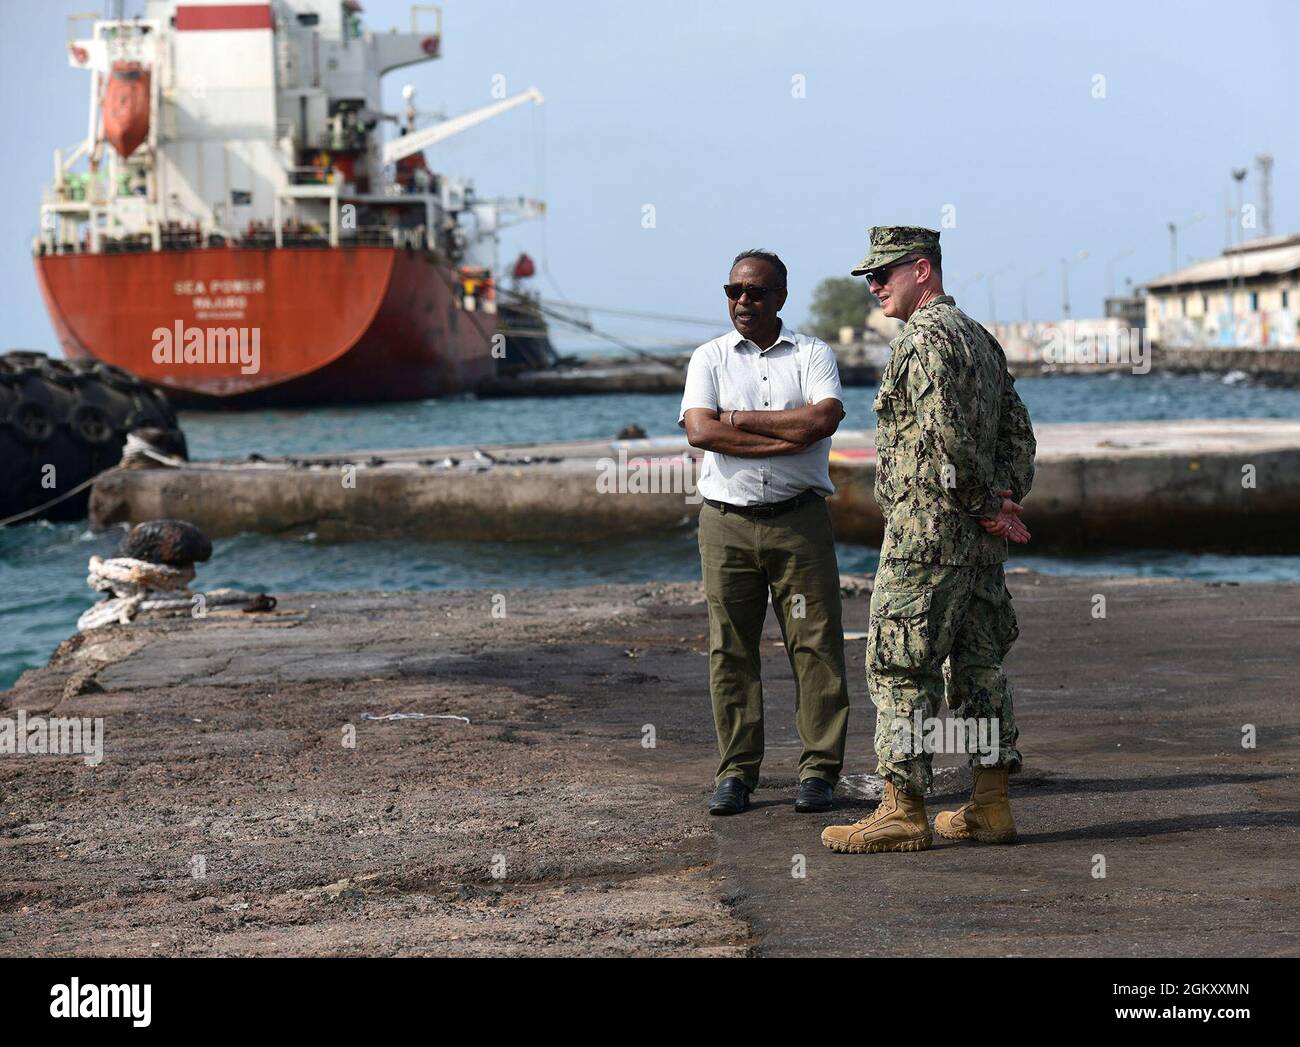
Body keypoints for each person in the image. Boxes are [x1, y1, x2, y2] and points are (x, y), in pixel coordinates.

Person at [821, 226, 1037, 854]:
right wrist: (1002, 501)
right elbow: (1017, 434)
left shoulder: (922, 340)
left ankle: (903, 810)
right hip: (976, 548)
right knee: (977, 669)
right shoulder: (979, 338)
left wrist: (980, 502)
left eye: (883, 272)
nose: (873, 285)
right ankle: (990, 805)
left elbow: (948, 441)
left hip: (925, 541)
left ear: (922, 270)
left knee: (897, 666)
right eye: (869, 275)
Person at [680, 249, 850, 816]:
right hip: (725, 523)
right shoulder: (708, 357)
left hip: (799, 521)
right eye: (733, 292)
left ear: (780, 296)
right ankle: (736, 775)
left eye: (755, 292)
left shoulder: (812, 354)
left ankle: (819, 772)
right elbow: (700, 432)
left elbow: (823, 420)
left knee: (816, 646)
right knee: (730, 650)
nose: (743, 302)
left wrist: (736, 419)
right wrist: (785, 438)